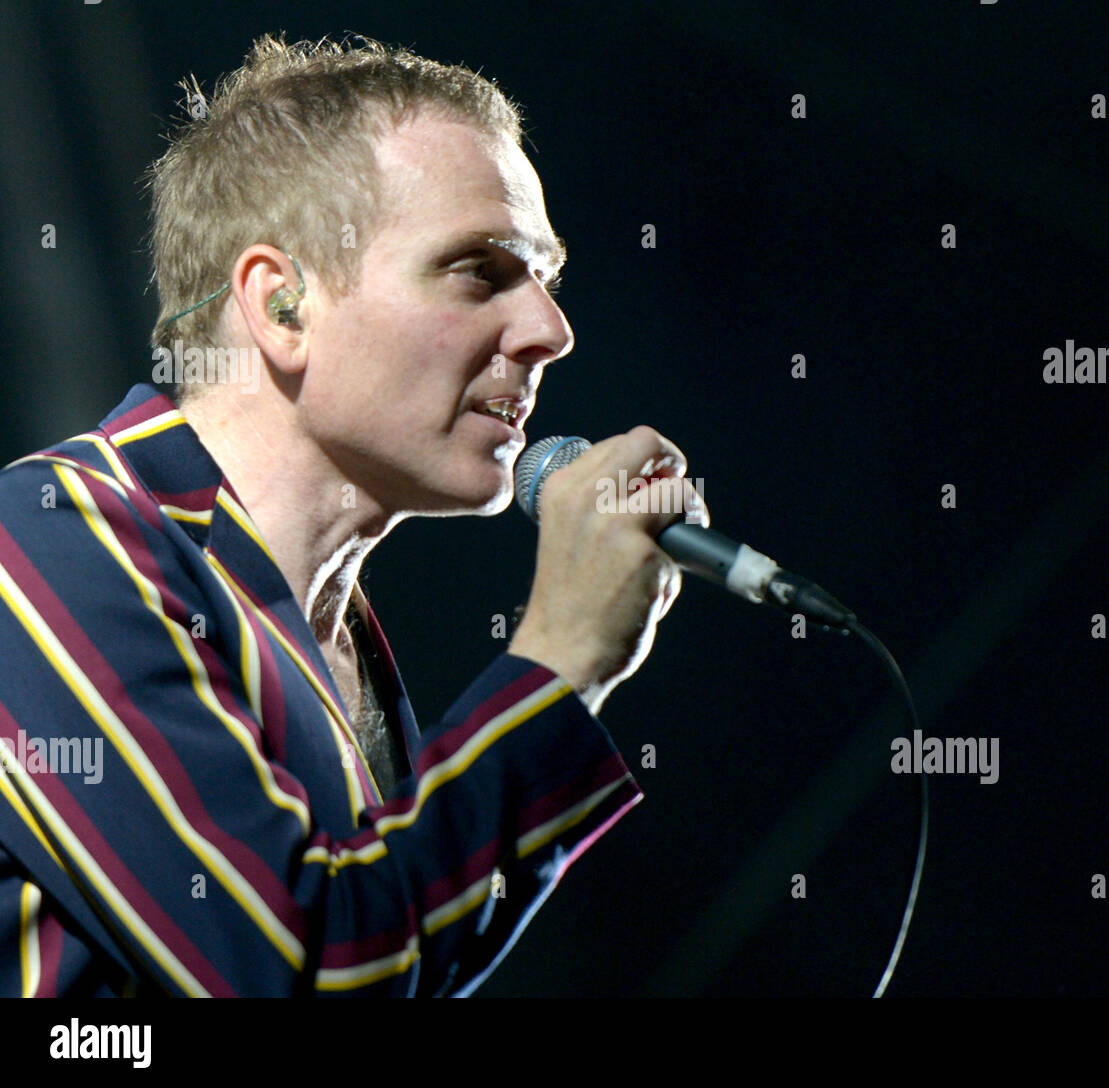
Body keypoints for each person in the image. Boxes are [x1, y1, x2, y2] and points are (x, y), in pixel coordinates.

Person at [0, 32, 706, 997]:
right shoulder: (46, 538)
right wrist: (561, 660)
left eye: (547, 276)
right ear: (282, 304)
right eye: (479, 271)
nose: (550, 329)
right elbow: (300, 970)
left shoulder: (342, 640)